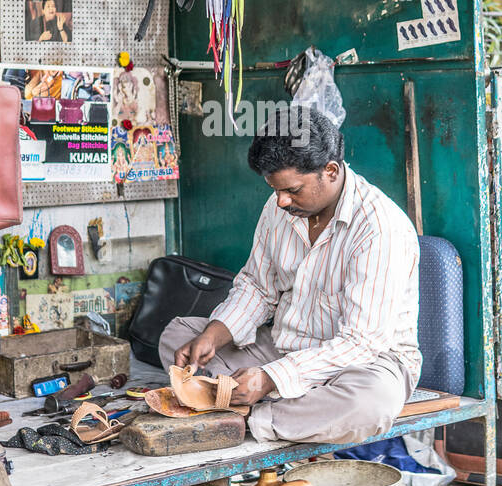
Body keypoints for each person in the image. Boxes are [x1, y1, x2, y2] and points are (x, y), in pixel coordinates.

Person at [159, 107, 422, 446]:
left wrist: (270, 378)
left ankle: (249, 418)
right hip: (283, 347)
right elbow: (257, 286)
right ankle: (251, 406)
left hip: (362, 365)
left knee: (371, 404)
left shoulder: (379, 228)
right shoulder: (279, 207)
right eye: (275, 190)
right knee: (178, 336)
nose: (281, 201)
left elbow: (362, 342)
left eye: (293, 190)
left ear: (330, 171)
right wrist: (213, 335)